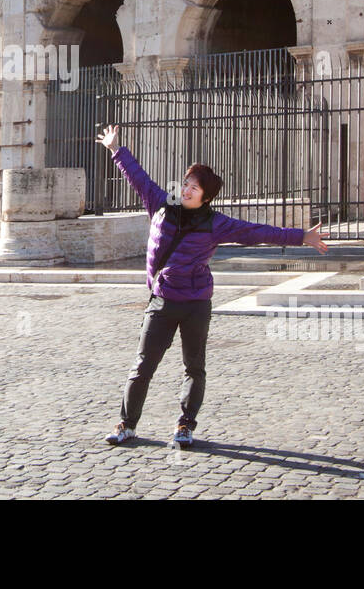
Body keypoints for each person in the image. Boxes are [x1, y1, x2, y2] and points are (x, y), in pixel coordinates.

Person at [96, 124, 327, 449]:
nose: (187, 189)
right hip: (161, 301)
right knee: (143, 365)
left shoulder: (216, 224)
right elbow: (138, 177)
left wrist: (301, 236)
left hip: (195, 304)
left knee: (194, 367)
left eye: (195, 187)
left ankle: (185, 426)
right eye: (187, 183)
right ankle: (127, 424)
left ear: (206, 196)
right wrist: (116, 149)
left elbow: (256, 232)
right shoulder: (161, 206)